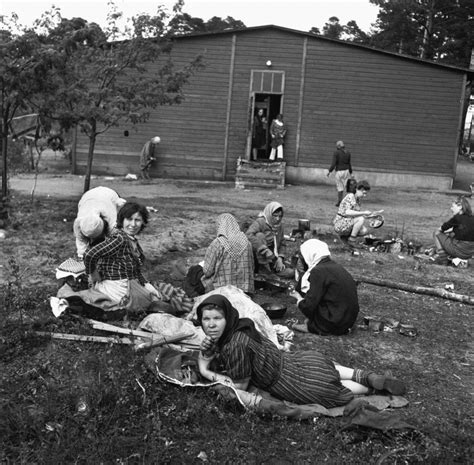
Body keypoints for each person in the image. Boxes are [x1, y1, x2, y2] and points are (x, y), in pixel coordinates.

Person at [196, 295, 406, 409]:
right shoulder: (242, 324)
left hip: (288, 382)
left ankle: (369, 389)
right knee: (326, 368)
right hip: (295, 361)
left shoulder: (234, 345)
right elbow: (226, 348)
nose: (212, 325)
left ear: (227, 318)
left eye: (217, 318)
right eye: (206, 319)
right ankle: (367, 375)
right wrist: (211, 349)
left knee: (333, 389)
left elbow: (239, 386)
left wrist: (205, 371)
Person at [56, 202, 175, 317]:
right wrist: (93, 273)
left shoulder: (132, 241)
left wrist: (146, 284)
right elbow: (90, 254)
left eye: (137, 220)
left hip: (127, 283)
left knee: (155, 296)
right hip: (115, 286)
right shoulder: (120, 239)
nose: (133, 224)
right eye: (129, 219)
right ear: (122, 220)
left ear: (143, 222)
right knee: (144, 304)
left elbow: (135, 270)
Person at [289, 239, 359, 335]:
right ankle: (317, 321)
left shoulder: (318, 271)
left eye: (303, 257)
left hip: (334, 322)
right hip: (348, 320)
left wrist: (298, 298)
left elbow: (309, 306)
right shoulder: (334, 266)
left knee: (307, 302)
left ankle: (314, 326)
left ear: (309, 255)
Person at [201, 213, 255, 294]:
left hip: (222, 289)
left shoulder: (218, 243)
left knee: (194, 273)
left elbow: (207, 271)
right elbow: (252, 267)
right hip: (245, 289)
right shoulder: (247, 243)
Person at [73, 186, 127, 259]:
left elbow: (118, 239)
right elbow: (81, 243)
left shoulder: (111, 220)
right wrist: (82, 257)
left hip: (109, 195)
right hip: (88, 197)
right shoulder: (79, 223)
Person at [245, 201, 294, 278]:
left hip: (273, 258)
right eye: (275, 216)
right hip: (259, 257)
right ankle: (263, 268)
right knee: (259, 235)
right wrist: (265, 250)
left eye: (280, 216)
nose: (278, 219)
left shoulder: (279, 226)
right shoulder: (260, 222)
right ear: (269, 214)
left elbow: (282, 243)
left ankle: (272, 272)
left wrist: (280, 258)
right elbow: (248, 235)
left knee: (291, 272)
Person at [333, 180, 383, 247]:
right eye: (364, 193)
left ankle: (344, 238)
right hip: (340, 223)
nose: (365, 195)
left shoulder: (358, 200)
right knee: (360, 219)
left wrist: (371, 216)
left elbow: (357, 215)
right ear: (358, 189)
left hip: (347, 222)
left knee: (364, 230)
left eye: (366, 194)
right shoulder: (350, 196)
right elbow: (347, 212)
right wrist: (363, 212)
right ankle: (351, 240)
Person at [432, 196, 474, 265]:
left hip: (459, 251)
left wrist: (446, 232)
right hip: (470, 253)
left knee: (436, 233)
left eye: (452, 206)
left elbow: (440, 229)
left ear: (460, 206)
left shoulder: (457, 218)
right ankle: (451, 257)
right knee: (451, 234)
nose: (451, 208)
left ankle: (444, 260)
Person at [327, 141, 353, 206]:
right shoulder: (348, 153)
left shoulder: (336, 153)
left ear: (338, 146)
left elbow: (333, 164)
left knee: (340, 187)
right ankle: (349, 202)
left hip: (339, 171)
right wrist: (351, 172)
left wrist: (329, 171)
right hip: (346, 171)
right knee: (347, 187)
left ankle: (340, 201)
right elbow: (349, 164)